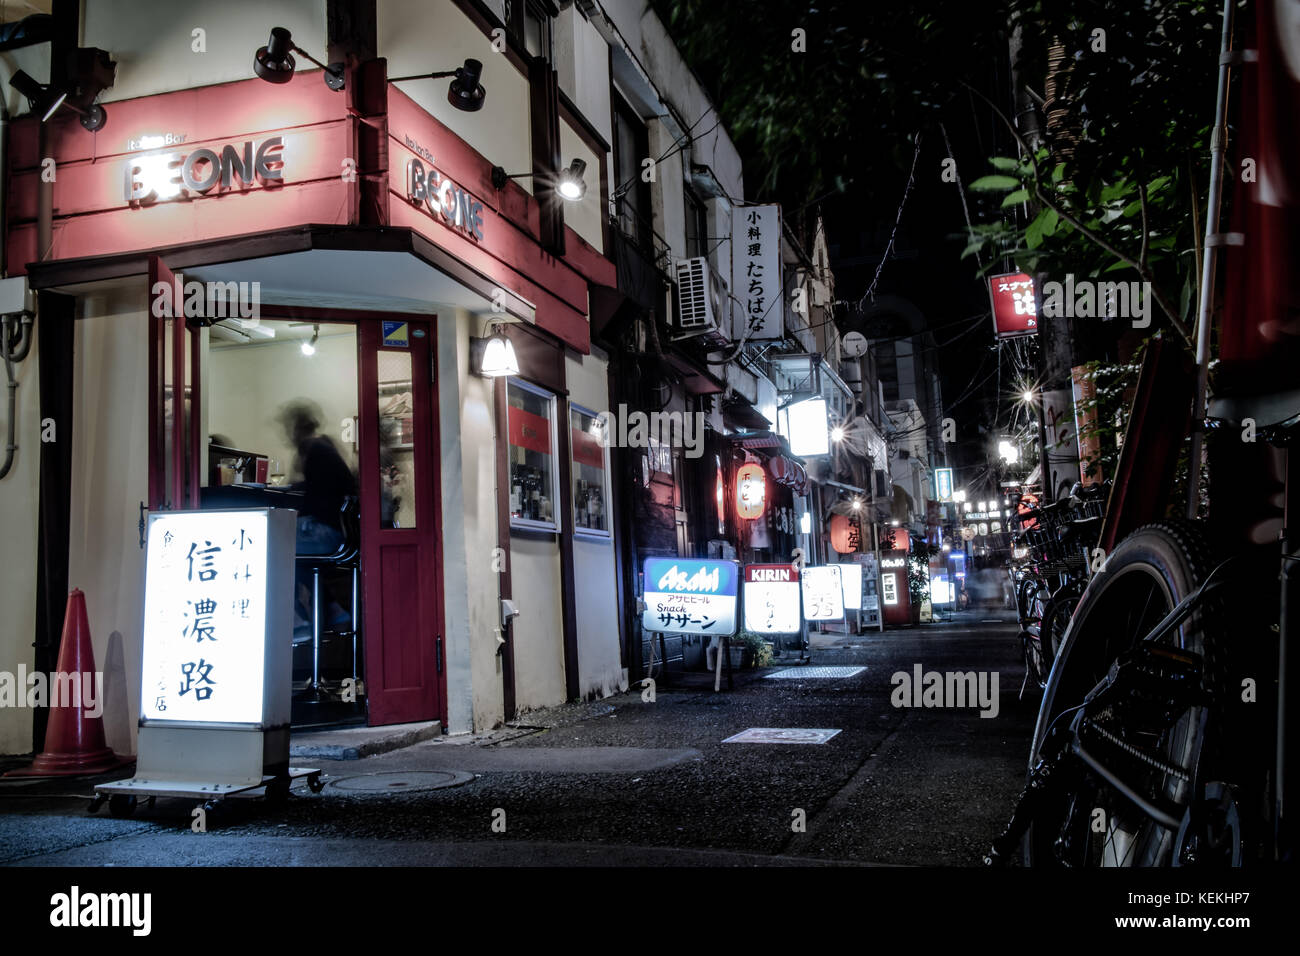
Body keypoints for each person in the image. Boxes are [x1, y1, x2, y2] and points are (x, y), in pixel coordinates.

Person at [277, 400, 356, 555]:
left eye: (288, 428)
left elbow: (307, 497)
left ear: (296, 429)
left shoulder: (312, 448)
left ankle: (298, 580)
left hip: (327, 532)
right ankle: (304, 580)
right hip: (343, 531)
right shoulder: (325, 444)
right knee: (280, 532)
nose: (286, 434)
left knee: (270, 541)